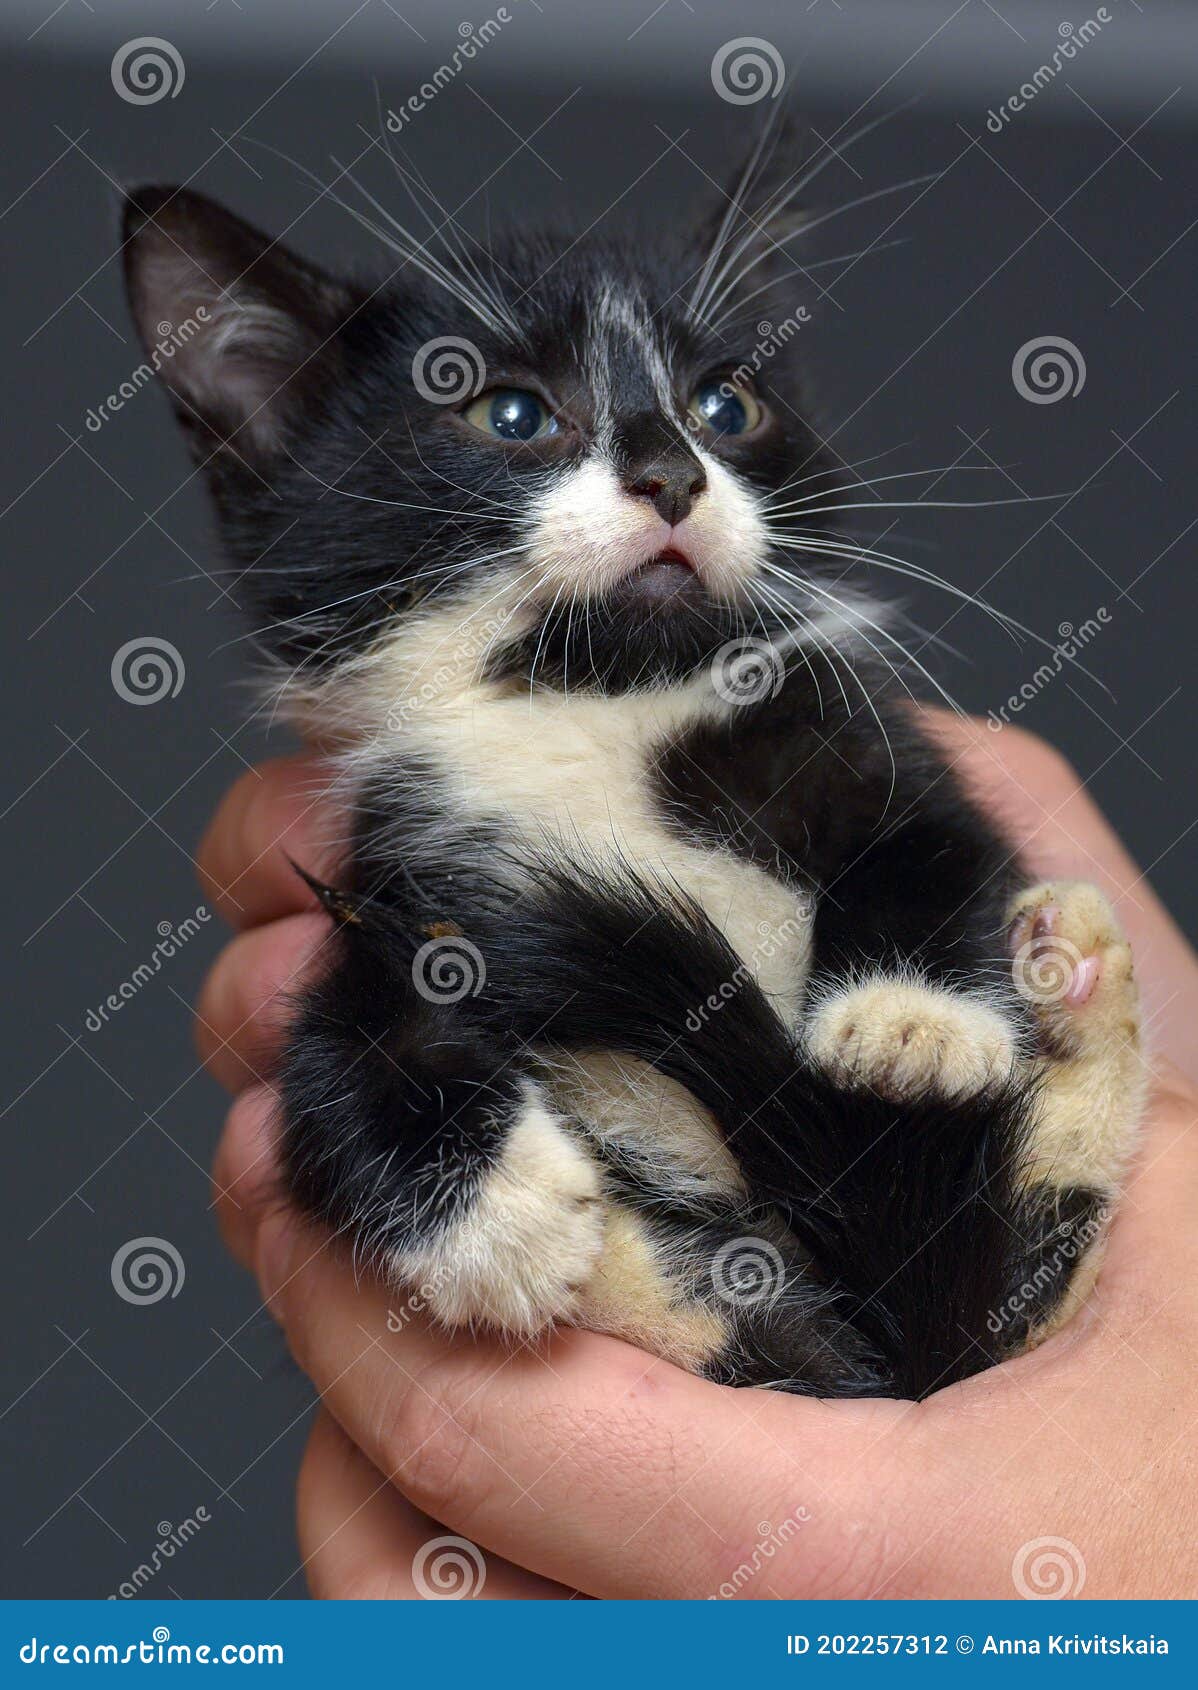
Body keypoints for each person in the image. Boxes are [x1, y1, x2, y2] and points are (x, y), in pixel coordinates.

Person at [194, 716, 1198, 1599]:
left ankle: (704, 1290)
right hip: (819, 1276)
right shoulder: (419, 796)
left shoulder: (803, 715)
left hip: (875, 1272)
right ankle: (1007, 1192)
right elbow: (353, 1065)